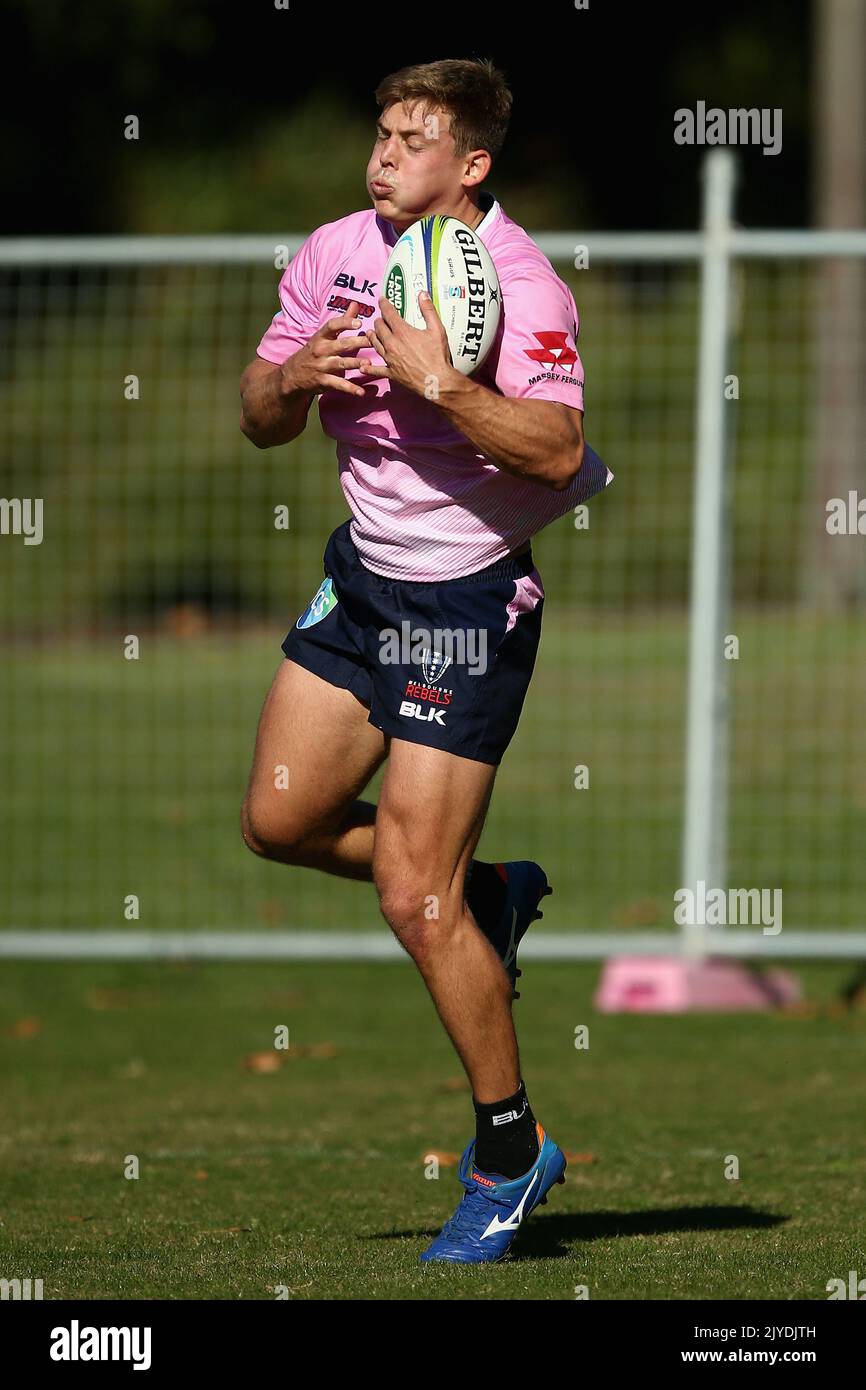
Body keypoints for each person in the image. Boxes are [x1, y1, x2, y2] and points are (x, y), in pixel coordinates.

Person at [238, 58, 613, 1263]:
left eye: (414, 139)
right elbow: (256, 409)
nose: (385, 154)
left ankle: (508, 1153)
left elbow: (555, 454)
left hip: (463, 598)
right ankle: (491, 896)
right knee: (277, 821)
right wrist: (290, 381)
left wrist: (441, 383)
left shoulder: (519, 282)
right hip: (360, 579)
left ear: (472, 165)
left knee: (412, 890)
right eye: (382, 132)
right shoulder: (334, 248)